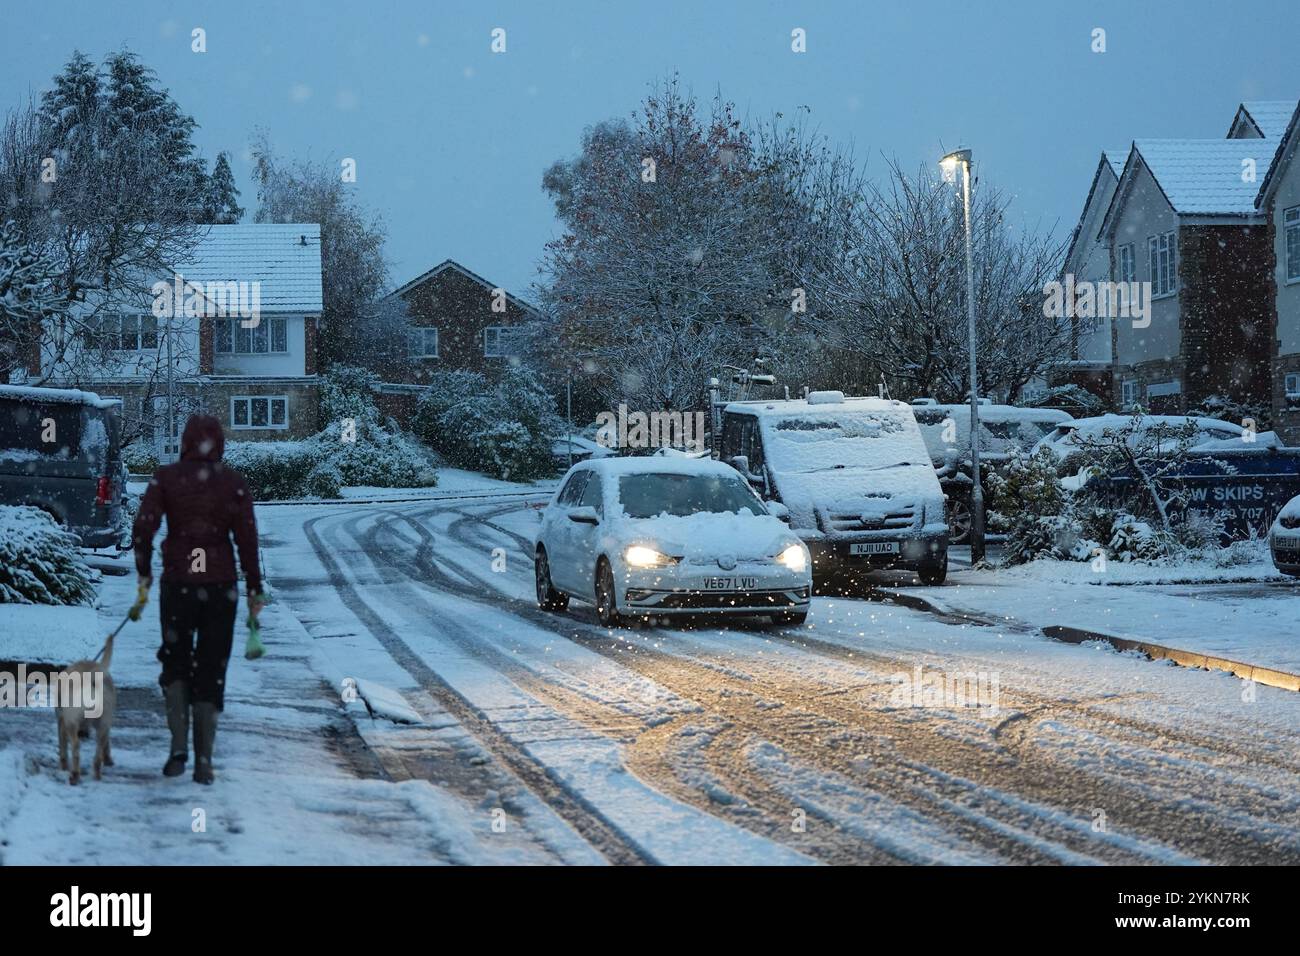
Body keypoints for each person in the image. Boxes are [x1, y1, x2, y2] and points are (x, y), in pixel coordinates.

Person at [132, 414, 264, 784]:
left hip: (178, 586)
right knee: (211, 666)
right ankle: (204, 759)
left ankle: (178, 747)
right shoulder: (233, 484)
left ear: (185, 441)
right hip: (221, 587)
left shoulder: (166, 478)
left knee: (175, 660)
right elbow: (247, 540)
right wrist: (254, 587)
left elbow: (143, 527)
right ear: (219, 443)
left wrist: (144, 571)